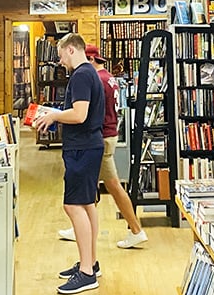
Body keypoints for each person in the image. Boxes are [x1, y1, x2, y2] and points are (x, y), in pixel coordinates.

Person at [34, 33, 104, 295]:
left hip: (82, 148)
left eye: (62, 55)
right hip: (87, 146)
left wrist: (53, 116)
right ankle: (90, 262)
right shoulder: (88, 74)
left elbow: (79, 114)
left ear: (72, 50)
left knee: (72, 205)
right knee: (87, 204)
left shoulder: (82, 75)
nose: (60, 62)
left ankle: (86, 273)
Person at [58, 44, 148, 249]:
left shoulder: (93, 79)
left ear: (88, 59)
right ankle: (82, 225)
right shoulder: (109, 78)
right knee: (90, 184)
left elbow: (85, 112)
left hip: (101, 136)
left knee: (112, 184)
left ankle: (136, 230)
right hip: (110, 132)